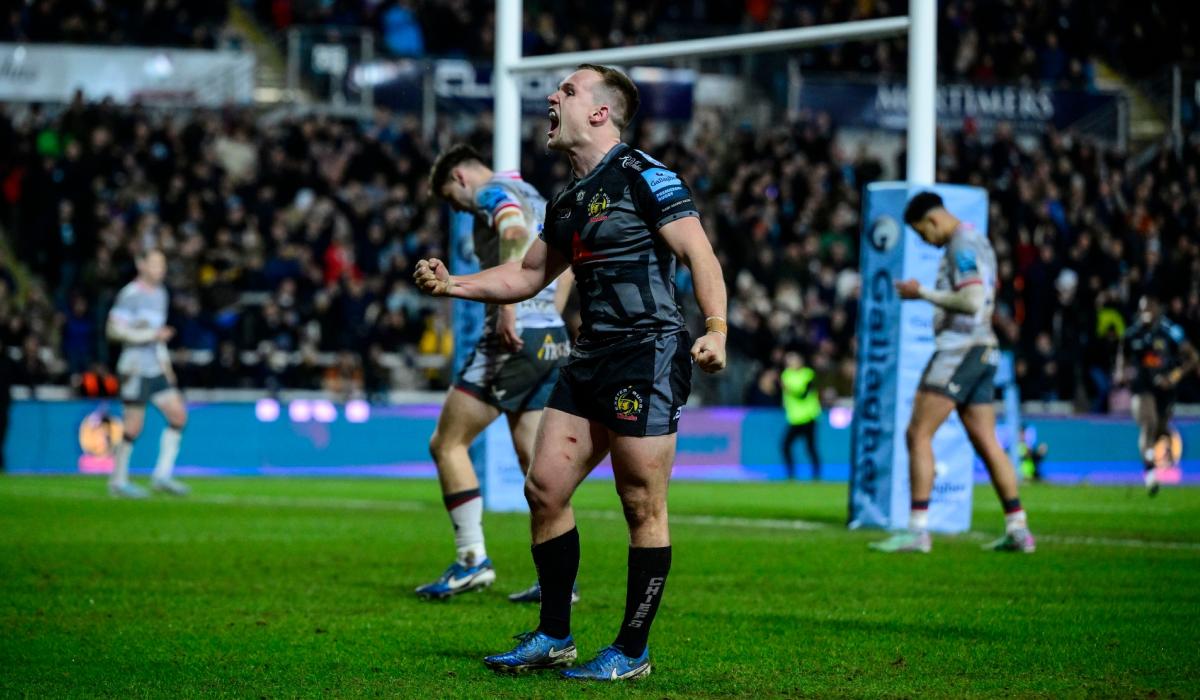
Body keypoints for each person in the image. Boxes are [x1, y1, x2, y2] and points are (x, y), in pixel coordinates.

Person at [414, 63, 727, 681]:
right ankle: (554, 636)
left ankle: (631, 651)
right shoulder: (567, 200)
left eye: (568, 90)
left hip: (648, 353)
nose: (552, 98)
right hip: (589, 356)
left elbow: (700, 254)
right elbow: (529, 274)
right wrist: (455, 284)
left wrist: (715, 328)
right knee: (544, 489)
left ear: (600, 112)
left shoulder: (647, 176)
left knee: (640, 502)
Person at [415, 144, 575, 602]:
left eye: (452, 200)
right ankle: (559, 581)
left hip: (512, 339)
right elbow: (566, 266)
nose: (458, 209)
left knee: (447, 443)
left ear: (460, 178)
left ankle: (472, 560)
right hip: (549, 337)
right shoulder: (534, 194)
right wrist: (547, 314)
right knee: (538, 468)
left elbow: (512, 228)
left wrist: (510, 307)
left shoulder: (490, 192)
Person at [870, 192, 1034, 554]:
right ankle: (1018, 528)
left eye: (921, 232)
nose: (925, 240)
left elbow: (972, 300)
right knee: (986, 441)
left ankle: (917, 531)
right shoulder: (978, 240)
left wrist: (922, 293)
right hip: (983, 348)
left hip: (960, 349)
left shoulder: (961, 244)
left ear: (933, 220)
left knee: (918, 433)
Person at [105, 249, 190, 498]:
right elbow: (113, 331)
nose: (160, 269)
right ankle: (118, 480)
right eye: (154, 264)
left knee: (178, 416)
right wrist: (148, 334)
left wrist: (166, 366)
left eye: (162, 264)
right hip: (134, 367)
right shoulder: (130, 294)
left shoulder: (161, 294)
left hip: (155, 367)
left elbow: (158, 337)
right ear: (140, 264)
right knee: (133, 426)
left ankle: (162, 476)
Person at [1115, 293, 1198, 496]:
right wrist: (1120, 372)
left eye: (1149, 308)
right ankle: (1150, 473)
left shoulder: (1170, 331)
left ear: (1158, 309)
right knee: (1148, 423)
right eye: (1142, 308)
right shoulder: (1133, 333)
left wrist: (1174, 377)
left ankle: (1153, 457)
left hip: (1165, 389)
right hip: (1142, 386)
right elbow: (1122, 356)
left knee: (1159, 429)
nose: (1146, 312)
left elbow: (1193, 357)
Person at [780, 351, 822, 480]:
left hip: (809, 417)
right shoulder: (786, 375)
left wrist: (790, 390)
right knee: (785, 446)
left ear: (800, 361)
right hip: (795, 418)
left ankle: (816, 475)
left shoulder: (808, 374)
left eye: (794, 360)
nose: (791, 363)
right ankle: (791, 474)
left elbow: (803, 394)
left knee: (810, 447)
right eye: (789, 361)